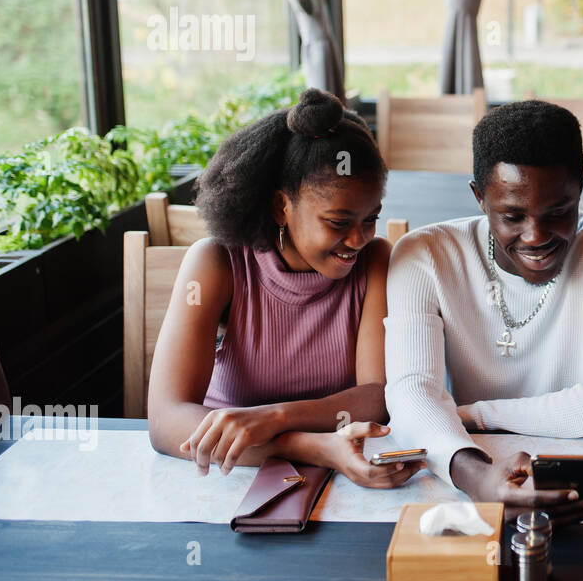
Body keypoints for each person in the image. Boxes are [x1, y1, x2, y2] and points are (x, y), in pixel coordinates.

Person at [384, 100, 583, 524]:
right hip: (461, 469)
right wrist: (477, 476)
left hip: (579, 474)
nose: (536, 236)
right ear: (479, 196)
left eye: (559, 213)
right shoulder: (424, 256)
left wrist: (471, 415)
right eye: (512, 215)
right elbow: (410, 393)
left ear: (580, 188)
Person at [148, 88, 419, 489]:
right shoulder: (217, 263)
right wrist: (314, 447)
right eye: (339, 222)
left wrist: (275, 418)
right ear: (281, 207)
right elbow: (167, 421)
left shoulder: (376, 260)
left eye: (370, 218)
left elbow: (376, 398)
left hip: (334, 473)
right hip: (224, 478)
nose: (359, 238)